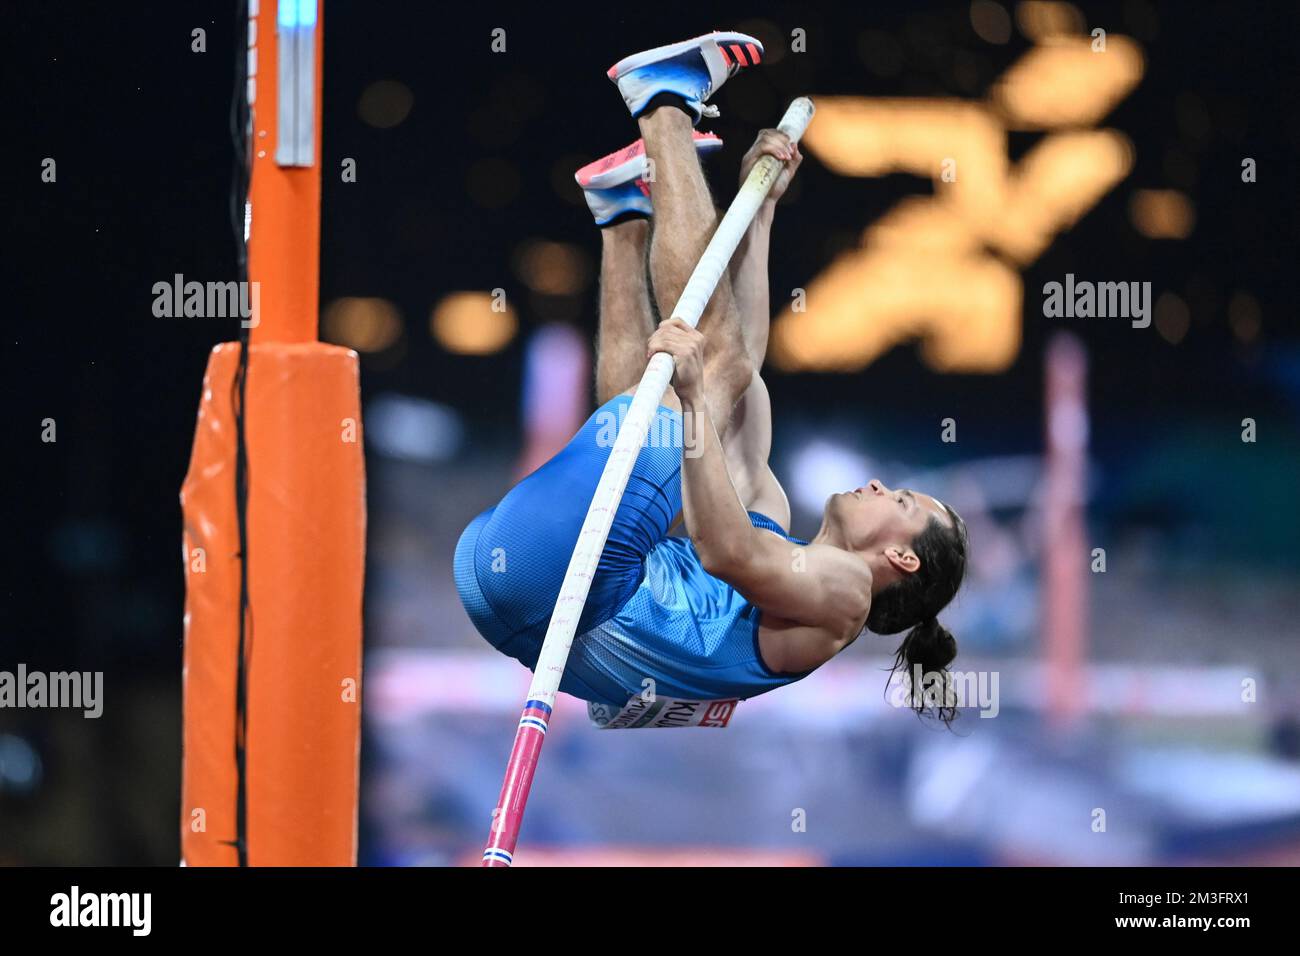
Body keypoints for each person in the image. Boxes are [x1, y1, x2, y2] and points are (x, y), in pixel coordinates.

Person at [454, 31, 968, 724]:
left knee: (696, 389)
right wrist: (760, 216)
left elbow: (726, 548)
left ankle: (662, 101)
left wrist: (699, 396)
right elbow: (745, 363)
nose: (881, 485)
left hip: (551, 582)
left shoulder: (845, 596)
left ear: (901, 559)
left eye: (901, 500)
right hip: (518, 579)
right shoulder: (775, 525)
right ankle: (624, 217)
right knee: (700, 397)